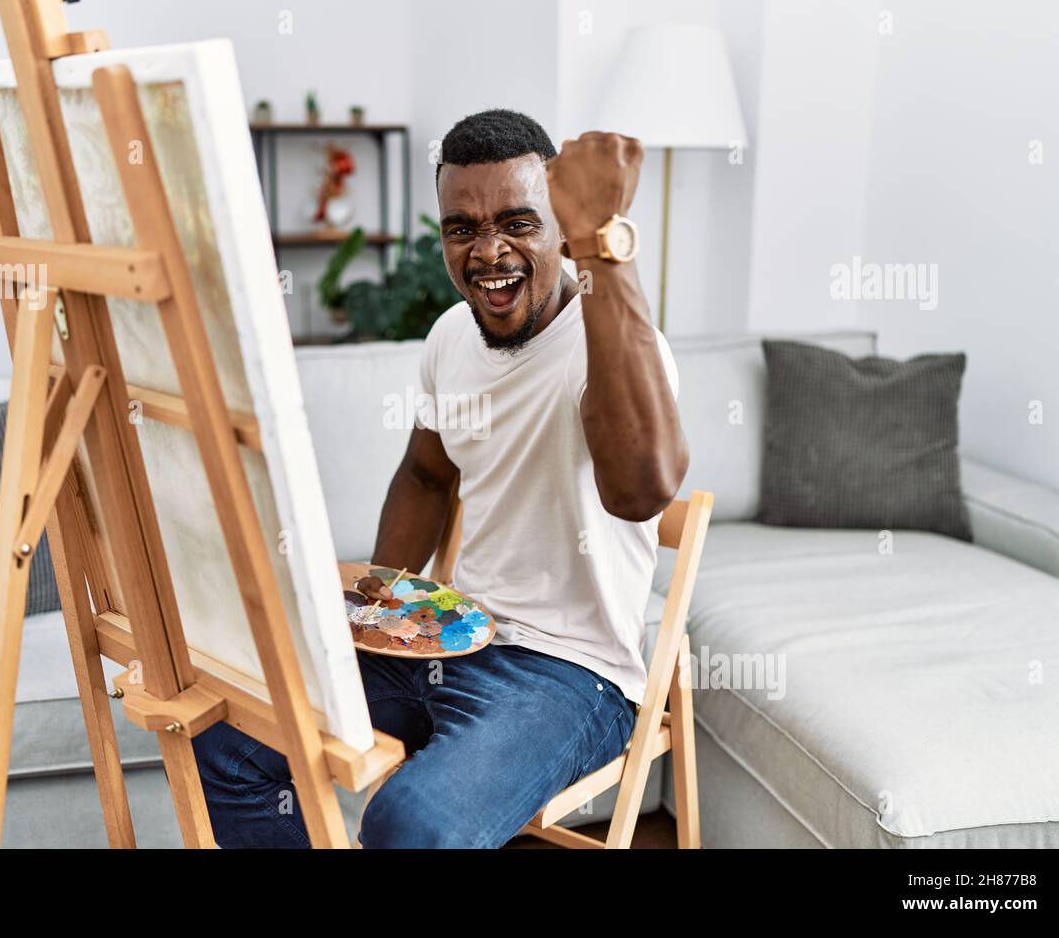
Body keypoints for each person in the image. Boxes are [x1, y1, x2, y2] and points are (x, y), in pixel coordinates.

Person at [192, 109, 688, 847]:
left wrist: (606, 241)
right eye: (462, 229)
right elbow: (427, 477)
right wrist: (379, 611)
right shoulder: (451, 337)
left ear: (561, 227)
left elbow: (641, 489)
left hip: (570, 675)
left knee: (410, 821)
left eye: (520, 222)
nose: (489, 252)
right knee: (230, 740)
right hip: (451, 636)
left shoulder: (612, 338)